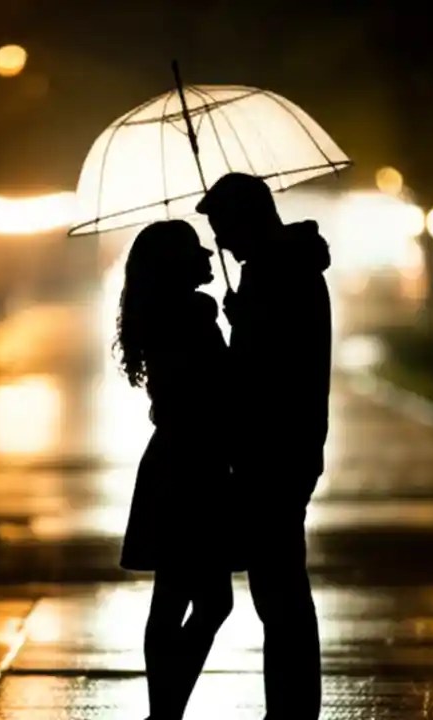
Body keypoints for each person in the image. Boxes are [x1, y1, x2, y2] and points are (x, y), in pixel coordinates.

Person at [196, 172, 331, 720]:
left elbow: (268, 371)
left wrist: (242, 330)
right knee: (279, 586)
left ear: (247, 218)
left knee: (279, 591)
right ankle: (292, 706)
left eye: (223, 226)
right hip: (286, 446)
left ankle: (293, 710)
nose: (220, 241)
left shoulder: (277, 275)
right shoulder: (283, 268)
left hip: (274, 449)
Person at [116, 219, 243, 720]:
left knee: (180, 597)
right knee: (197, 600)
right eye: (196, 249)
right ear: (175, 262)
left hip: (181, 461)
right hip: (191, 467)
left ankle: (164, 710)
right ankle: (164, 711)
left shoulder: (174, 314)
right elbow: (216, 388)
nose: (209, 256)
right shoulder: (187, 316)